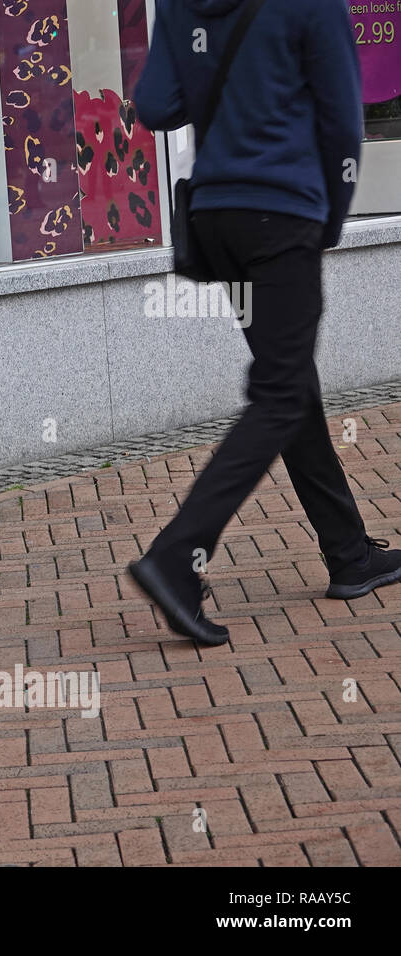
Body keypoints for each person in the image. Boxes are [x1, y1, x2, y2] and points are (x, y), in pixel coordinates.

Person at [128, 0, 401, 646]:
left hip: (218, 215)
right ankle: (177, 555)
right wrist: (330, 219)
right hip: (282, 212)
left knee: (289, 381)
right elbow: (341, 119)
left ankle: (348, 552)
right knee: (279, 394)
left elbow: (155, 107)